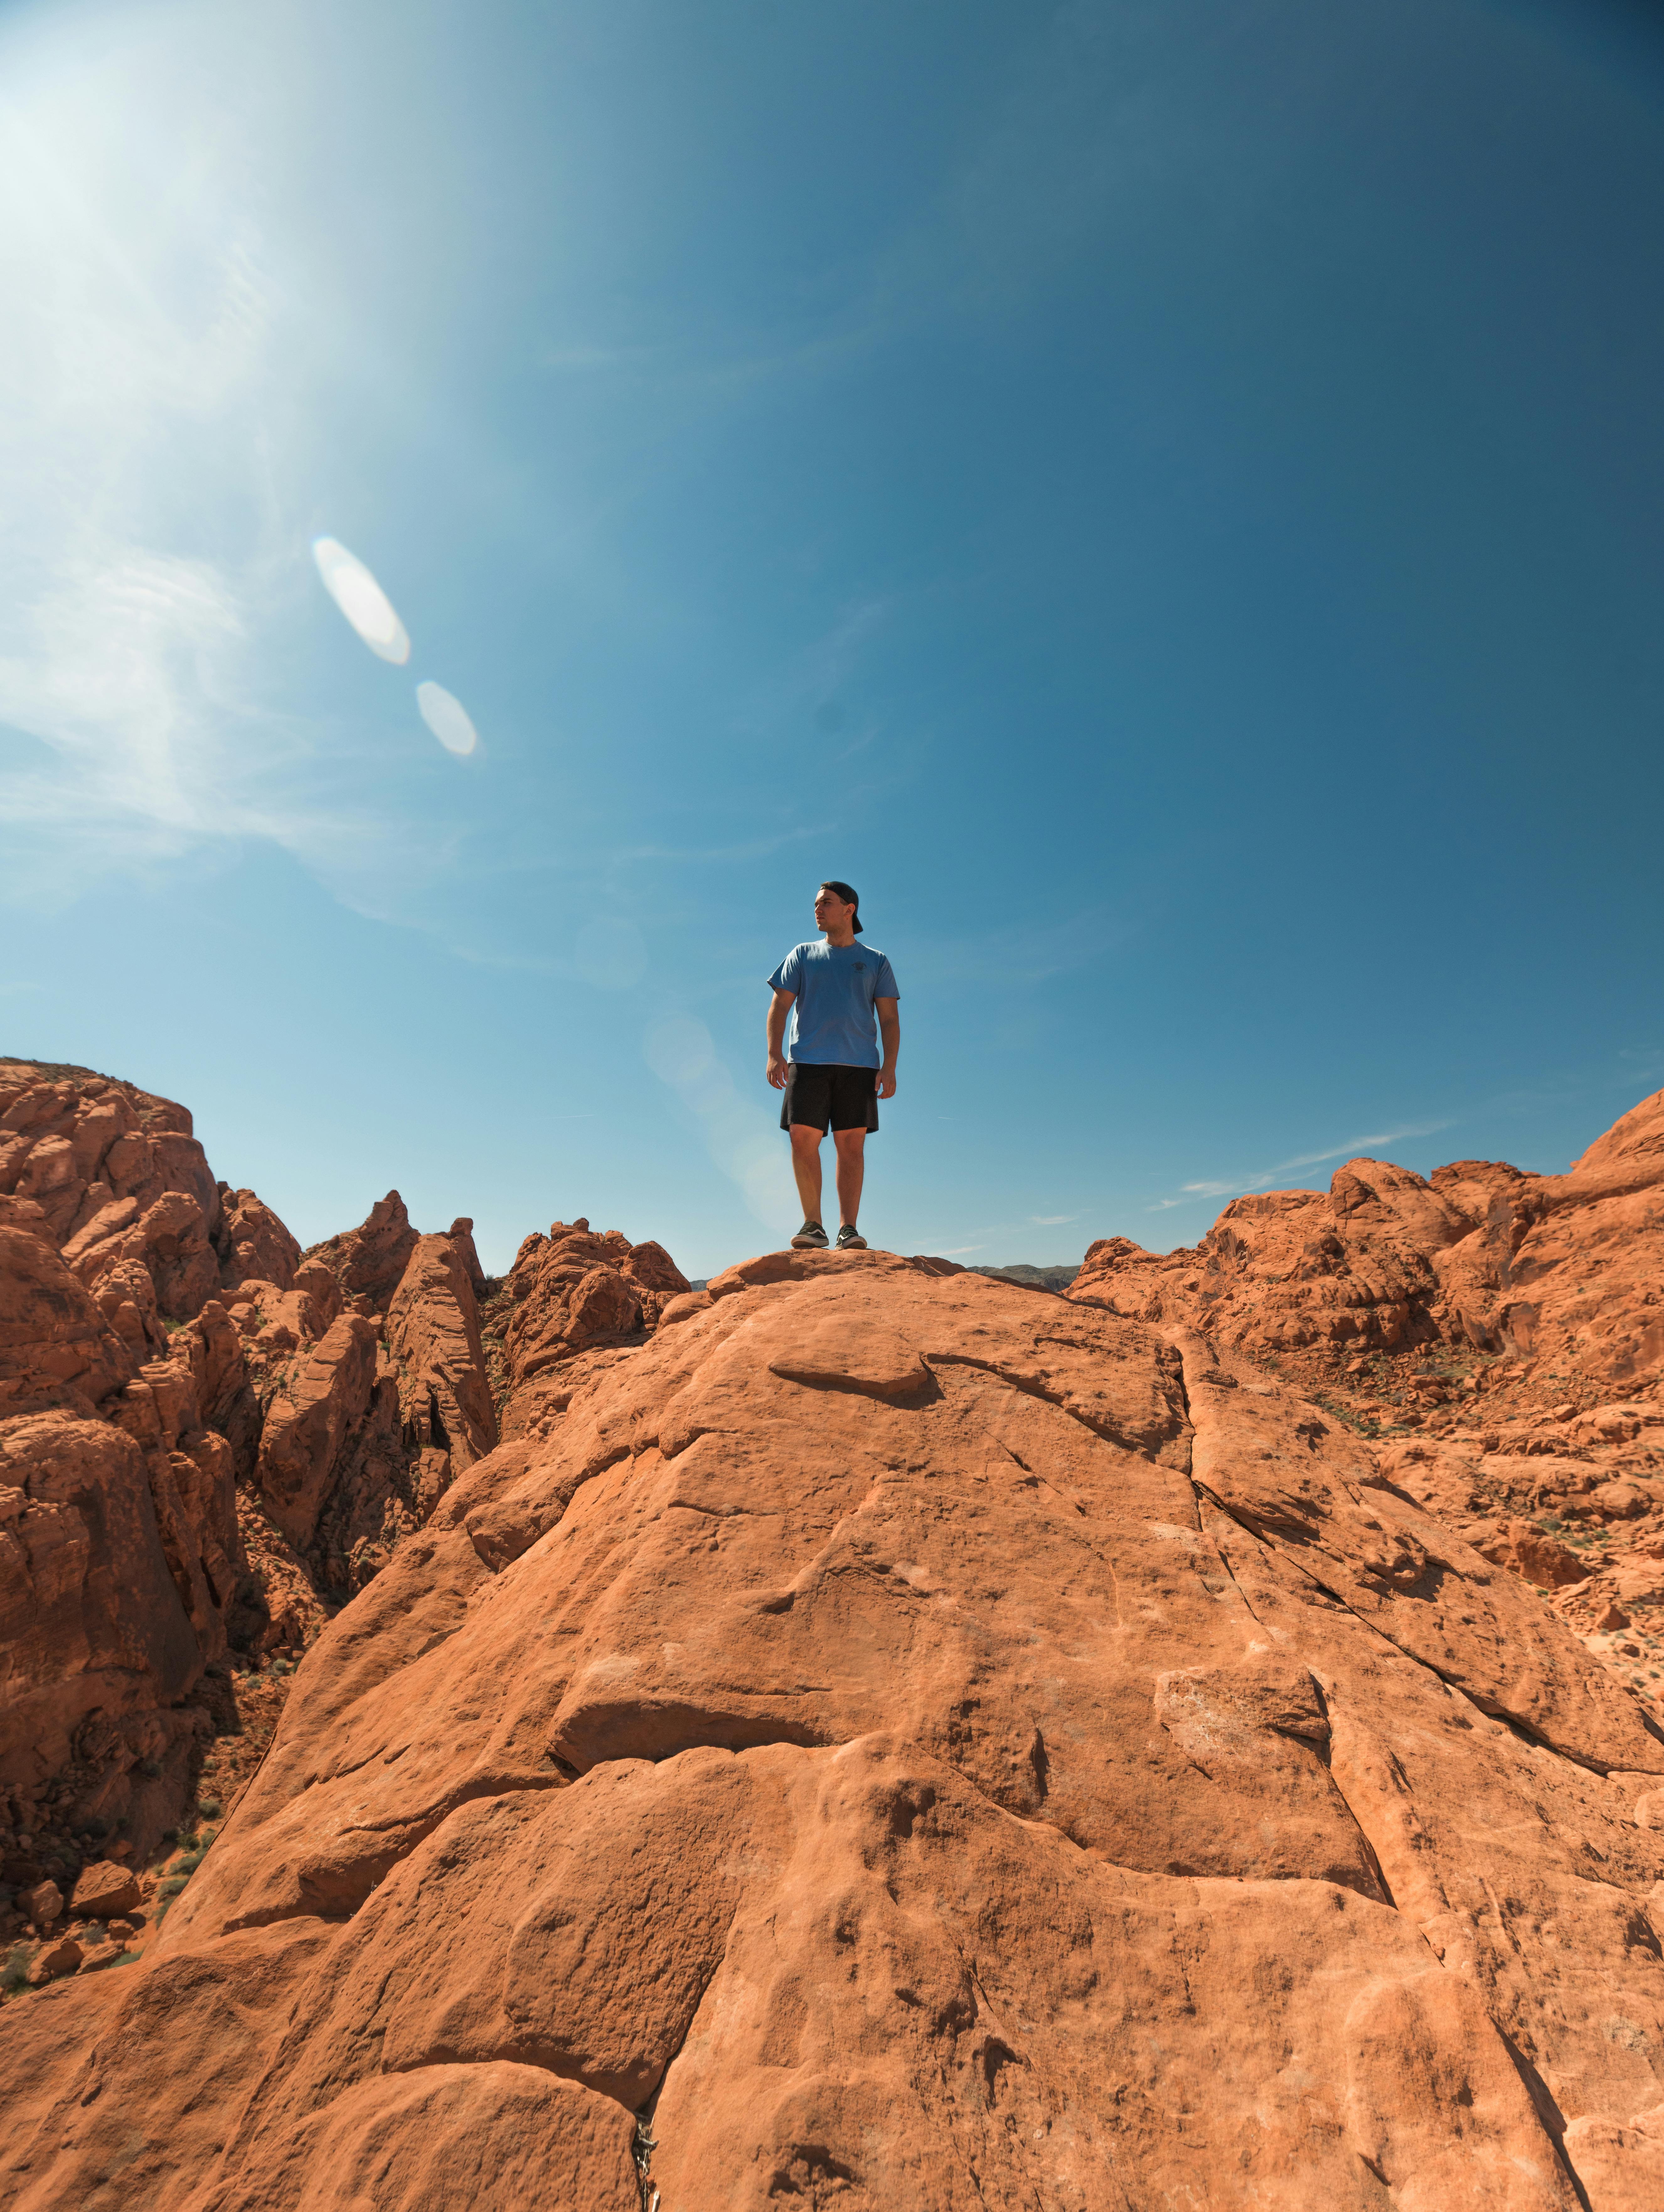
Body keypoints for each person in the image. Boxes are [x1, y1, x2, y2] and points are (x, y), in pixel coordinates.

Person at [765, 881, 899, 1250]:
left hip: (859, 1066)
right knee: (801, 1138)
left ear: (849, 909)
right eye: (816, 904)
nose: (818, 909)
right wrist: (775, 1053)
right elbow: (780, 1006)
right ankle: (813, 1225)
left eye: (826, 902)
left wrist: (889, 1067)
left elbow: (889, 1019)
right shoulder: (803, 954)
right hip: (807, 1061)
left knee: (851, 1145)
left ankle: (848, 1229)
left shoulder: (876, 961)